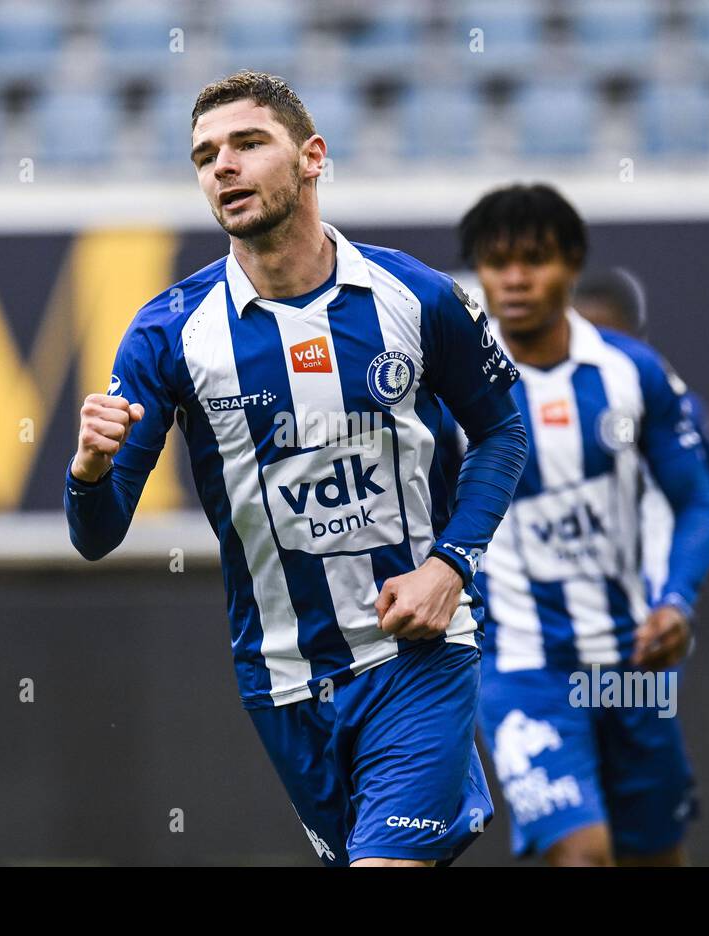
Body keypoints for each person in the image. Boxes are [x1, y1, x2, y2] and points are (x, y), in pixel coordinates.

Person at [64, 71, 528, 867]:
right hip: (283, 677)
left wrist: (450, 566)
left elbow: (503, 431)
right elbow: (97, 537)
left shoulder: (414, 298)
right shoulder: (168, 334)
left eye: (248, 144)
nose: (224, 167)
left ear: (312, 157)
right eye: (205, 155)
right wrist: (89, 469)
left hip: (418, 650)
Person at [457, 183, 709, 866]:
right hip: (521, 667)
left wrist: (677, 601)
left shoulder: (633, 374)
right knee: (582, 855)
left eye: (535, 259)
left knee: (655, 856)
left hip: (630, 665)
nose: (514, 279)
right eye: (496, 261)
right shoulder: (452, 387)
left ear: (572, 265)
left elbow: (697, 503)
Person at [574, 269, 709, 668]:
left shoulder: (678, 414)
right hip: (549, 629)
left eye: (613, 341)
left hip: (650, 626)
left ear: (639, 340)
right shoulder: (527, 411)